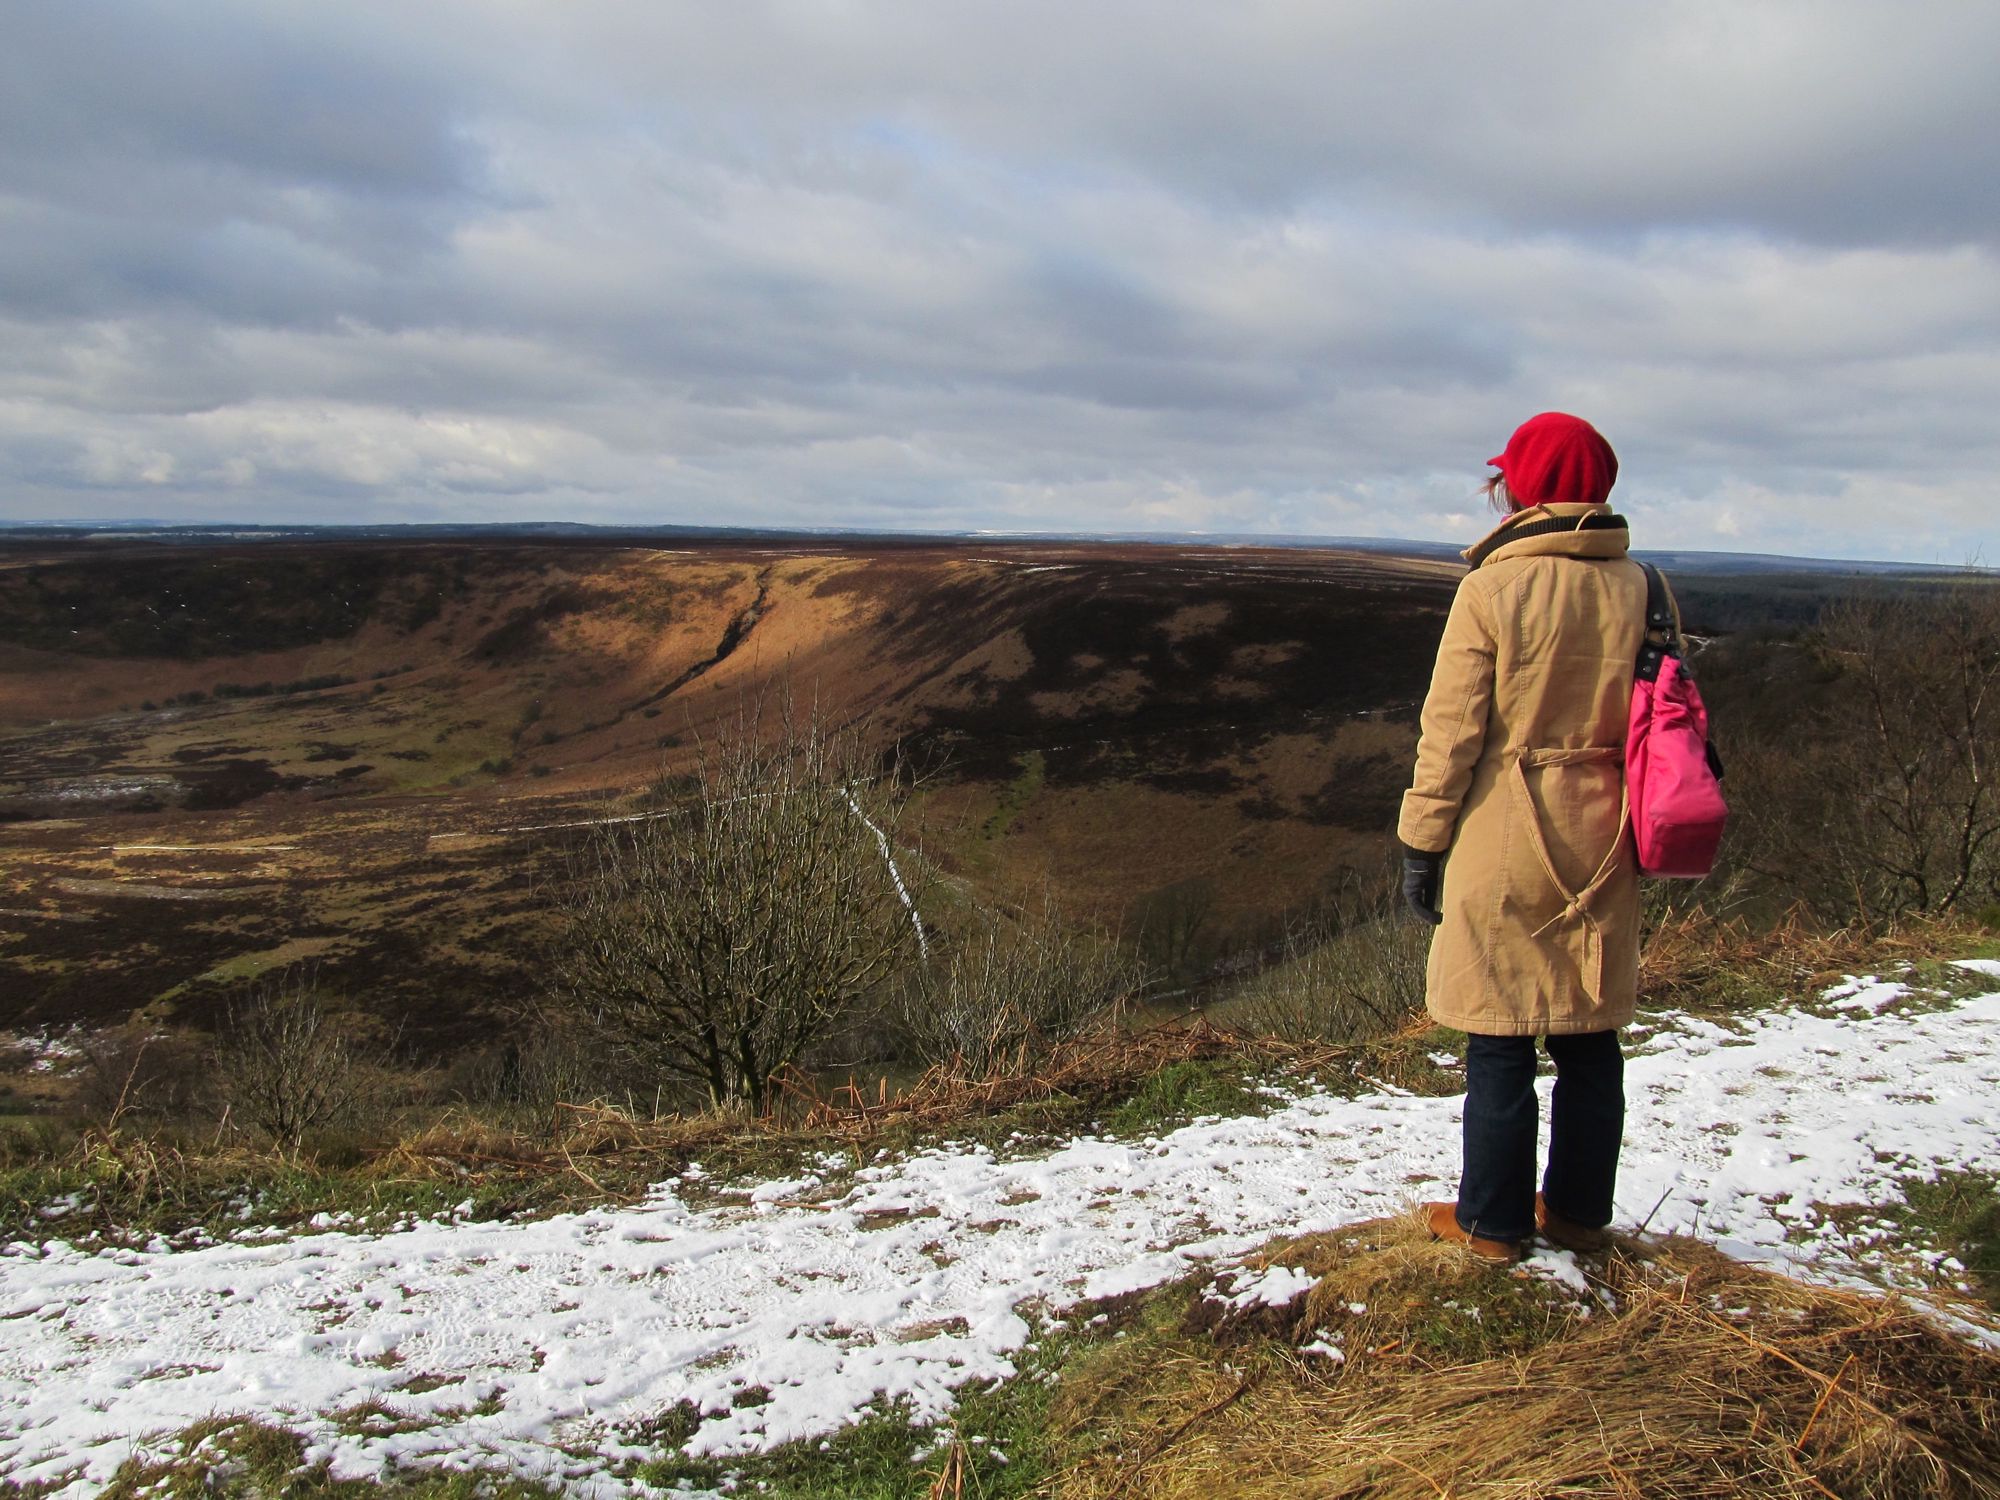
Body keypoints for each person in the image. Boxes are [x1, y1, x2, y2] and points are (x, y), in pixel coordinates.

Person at [1398, 411, 1663, 1264]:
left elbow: (1452, 732)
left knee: (1500, 1030)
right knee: (1589, 1032)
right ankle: (1581, 1214)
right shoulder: (1643, 586)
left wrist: (1421, 841)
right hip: (1609, 825)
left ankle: (1494, 1224)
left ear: (1524, 488)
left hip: (1506, 828)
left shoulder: (1491, 587)